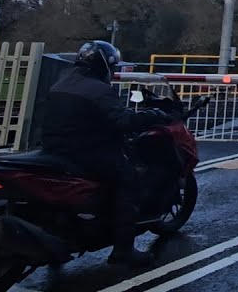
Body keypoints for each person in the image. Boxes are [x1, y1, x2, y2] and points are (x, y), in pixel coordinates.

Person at [41, 40, 169, 267]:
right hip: (86, 152)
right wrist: (153, 115)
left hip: (53, 149)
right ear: (104, 65)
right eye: (112, 66)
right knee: (127, 180)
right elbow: (123, 120)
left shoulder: (62, 82)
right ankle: (124, 249)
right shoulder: (98, 89)